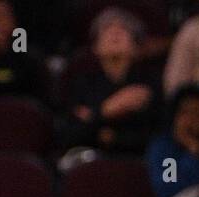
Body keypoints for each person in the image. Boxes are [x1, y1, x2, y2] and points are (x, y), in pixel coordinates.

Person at [62, 7, 160, 155]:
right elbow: (69, 136)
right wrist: (107, 110)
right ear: (95, 47)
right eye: (107, 29)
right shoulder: (82, 85)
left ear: (136, 47)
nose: (115, 32)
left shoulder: (149, 83)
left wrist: (111, 135)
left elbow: (155, 135)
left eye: (124, 29)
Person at [145, 84, 199, 197]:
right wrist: (192, 154)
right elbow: (167, 193)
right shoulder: (166, 151)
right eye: (184, 112)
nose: (190, 120)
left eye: (198, 113)